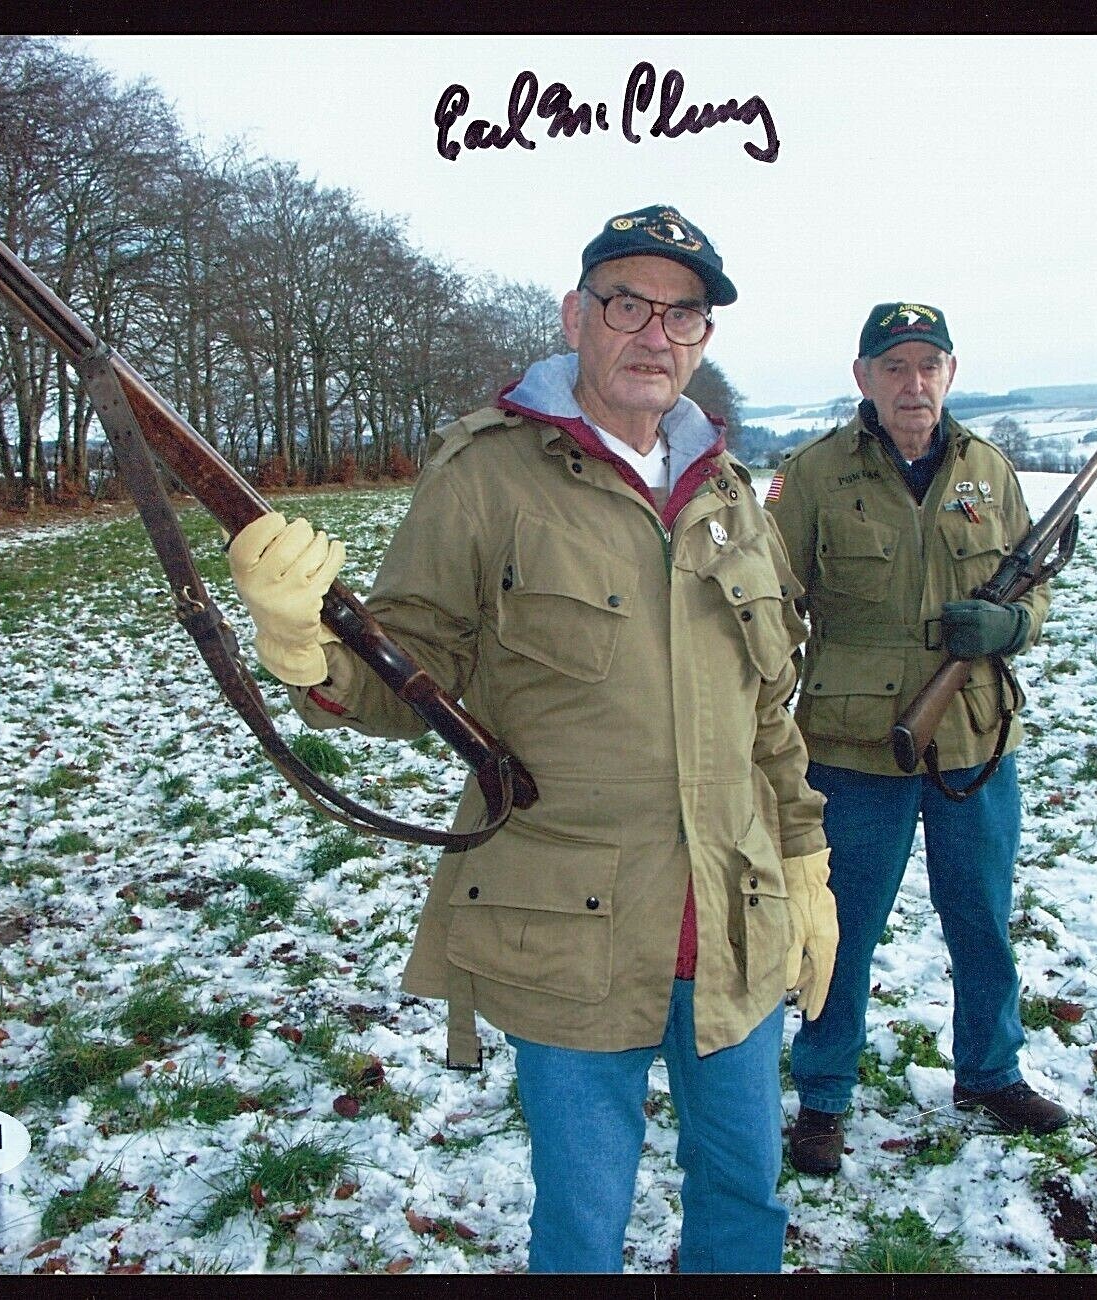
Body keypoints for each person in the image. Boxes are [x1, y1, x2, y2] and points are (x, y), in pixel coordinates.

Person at [227, 205, 836, 1273]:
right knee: (582, 1222)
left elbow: (765, 714)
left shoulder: (733, 492)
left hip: (734, 919)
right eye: (627, 305)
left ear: (704, 337)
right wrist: (304, 646)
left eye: (682, 314)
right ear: (576, 316)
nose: (655, 334)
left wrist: (805, 859)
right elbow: (412, 669)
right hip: (571, 924)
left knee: (745, 1195)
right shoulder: (487, 474)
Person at [765, 301, 1069, 1179]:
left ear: (950, 374)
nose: (913, 383)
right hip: (854, 745)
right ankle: (822, 1095)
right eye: (894, 366)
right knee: (844, 928)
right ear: (862, 377)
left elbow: (1034, 586)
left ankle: (991, 1072)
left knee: (980, 918)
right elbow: (771, 600)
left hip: (974, 734)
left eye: (928, 365)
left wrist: (1009, 626)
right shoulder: (814, 476)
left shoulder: (990, 471)